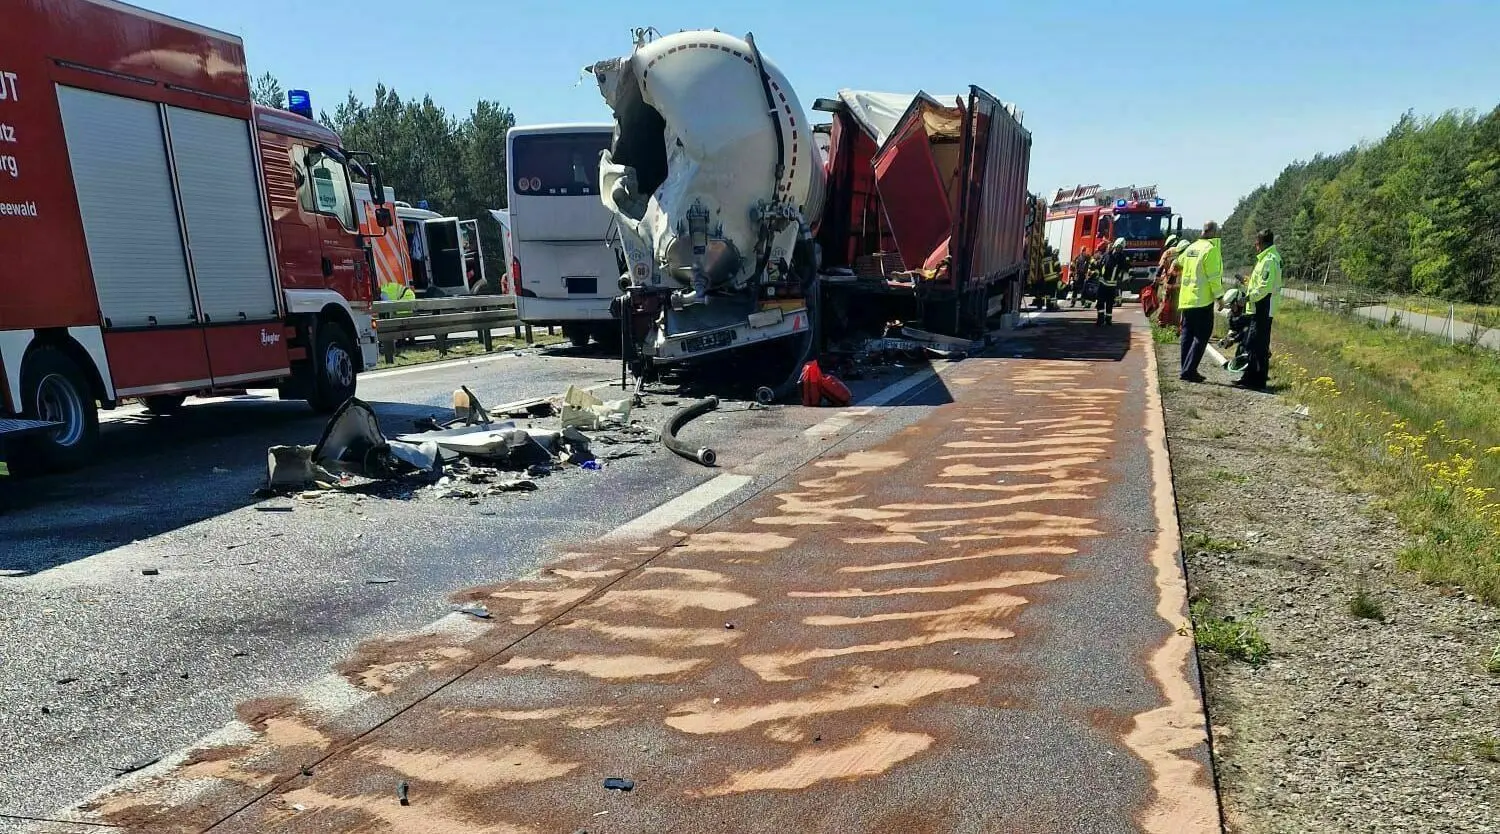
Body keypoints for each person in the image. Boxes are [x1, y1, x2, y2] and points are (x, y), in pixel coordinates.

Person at [1176, 221, 1223, 382]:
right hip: (1202, 299)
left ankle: (1185, 368)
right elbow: (1213, 277)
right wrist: (1220, 297)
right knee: (1201, 335)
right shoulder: (1210, 250)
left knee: (1187, 335)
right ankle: (1189, 370)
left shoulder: (1191, 247)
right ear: (1213, 232)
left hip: (1186, 298)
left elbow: (1179, 262)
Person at [1236, 228, 1283, 390]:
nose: (1255, 246)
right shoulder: (1264, 259)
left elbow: (1264, 287)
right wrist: (1246, 282)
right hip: (1258, 307)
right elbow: (1258, 283)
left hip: (1264, 306)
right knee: (1252, 343)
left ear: (1263, 243)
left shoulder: (1269, 260)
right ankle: (1249, 377)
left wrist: (1247, 298)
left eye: (1256, 243)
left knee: (1259, 345)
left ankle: (1257, 381)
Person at [1157, 238, 1191, 328]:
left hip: (1169, 284)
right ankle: (1176, 326)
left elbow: (1161, 266)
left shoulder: (1167, 253)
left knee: (1165, 304)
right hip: (1181, 286)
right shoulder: (1187, 256)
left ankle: (1163, 323)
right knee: (1178, 307)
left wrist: (1158, 280)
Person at [1097, 237, 1127, 325]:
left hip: (1104, 283)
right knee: (1107, 303)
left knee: (1102, 302)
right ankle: (1106, 319)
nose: (1118, 249)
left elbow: (1101, 264)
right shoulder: (1121, 257)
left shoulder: (1109, 255)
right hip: (1110, 284)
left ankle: (1102, 319)